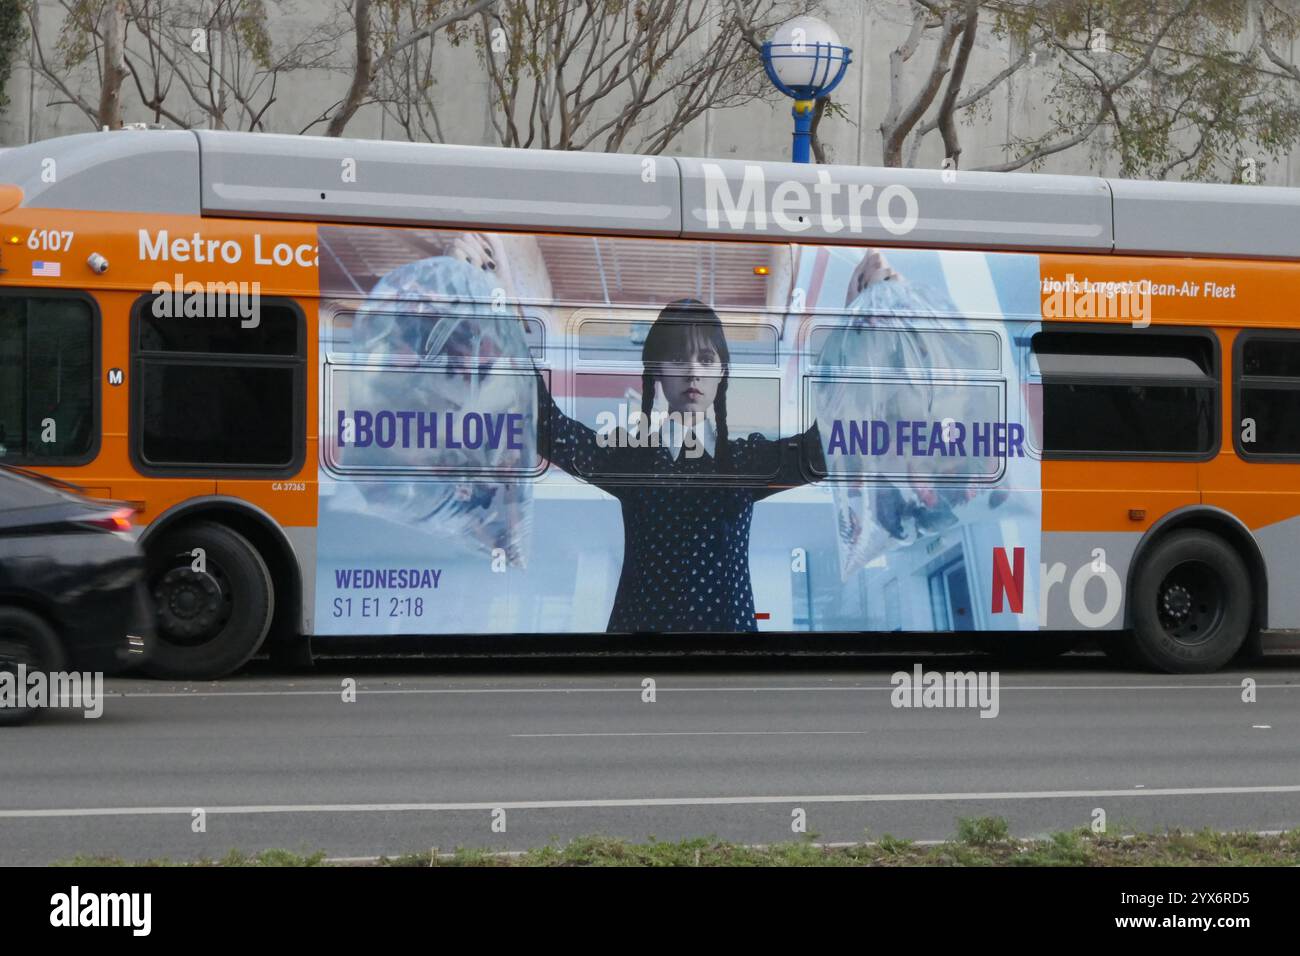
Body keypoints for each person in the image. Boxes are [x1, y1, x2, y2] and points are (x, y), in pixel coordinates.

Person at [536, 299, 824, 633]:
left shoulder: (746, 460)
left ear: (721, 373)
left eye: (706, 359)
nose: (693, 372)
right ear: (657, 369)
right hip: (639, 655)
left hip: (729, 662)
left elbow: (823, 450)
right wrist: (497, 314)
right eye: (677, 358)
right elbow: (549, 429)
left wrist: (874, 318)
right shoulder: (631, 459)